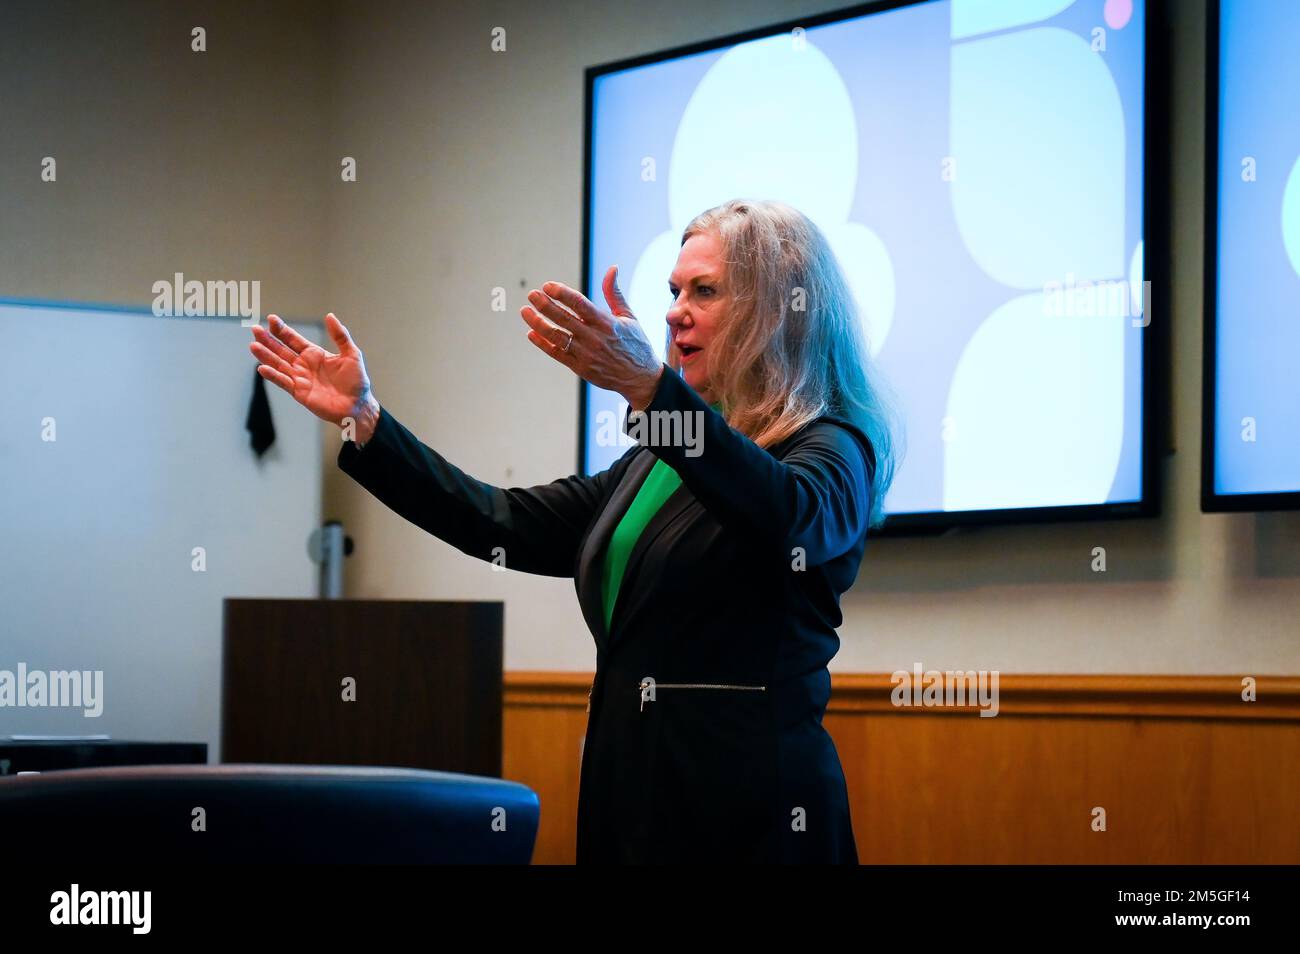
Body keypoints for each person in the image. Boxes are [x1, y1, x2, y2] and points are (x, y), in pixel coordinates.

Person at [248, 198, 899, 863]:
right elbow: (501, 520)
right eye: (674, 290)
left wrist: (651, 391)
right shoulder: (657, 460)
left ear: (777, 311)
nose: (676, 310)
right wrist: (367, 422)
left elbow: (790, 521)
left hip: (756, 825)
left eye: (706, 291)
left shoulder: (831, 445)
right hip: (632, 811)